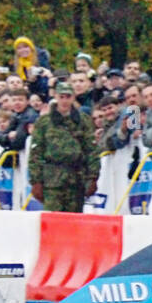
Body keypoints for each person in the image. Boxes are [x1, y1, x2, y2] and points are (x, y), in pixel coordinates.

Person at [28, 79, 100, 212]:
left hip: (76, 178)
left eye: (68, 97)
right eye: (61, 97)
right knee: (53, 220)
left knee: (74, 221)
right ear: (55, 97)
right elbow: (35, 153)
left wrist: (93, 177)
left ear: (73, 97)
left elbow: (91, 150)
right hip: (52, 180)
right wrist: (35, 181)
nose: (65, 101)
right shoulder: (44, 122)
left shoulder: (83, 120)